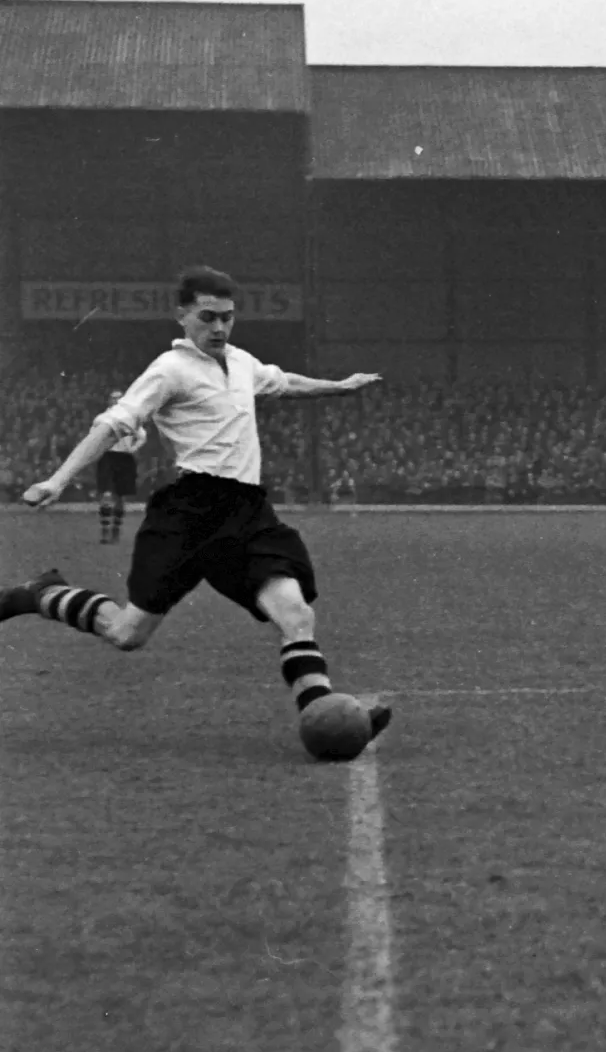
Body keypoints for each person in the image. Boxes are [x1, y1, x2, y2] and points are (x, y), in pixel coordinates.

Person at [1, 266, 392, 745]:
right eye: (208, 317)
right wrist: (58, 479)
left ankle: (324, 715)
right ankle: (39, 594)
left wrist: (339, 386)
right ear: (182, 316)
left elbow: (281, 381)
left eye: (227, 317)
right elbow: (113, 424)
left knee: (295, 614)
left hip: (247, 510)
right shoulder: (170, 370)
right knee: (127, 632)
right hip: (189, 512)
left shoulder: (242, 362)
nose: (219, 327)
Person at [94, 389, 145, 543]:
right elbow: (93, 437)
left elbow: (142, 436)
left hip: (124, 458)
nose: (116, 401)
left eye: (119, 398)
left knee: (120, 496)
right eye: (113, 398)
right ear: (109, 400)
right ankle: (105, 531)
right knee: (106, 494)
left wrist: (133, 449)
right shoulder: (101, 418)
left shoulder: (131, 419)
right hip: (107, 457)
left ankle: (115, 531)